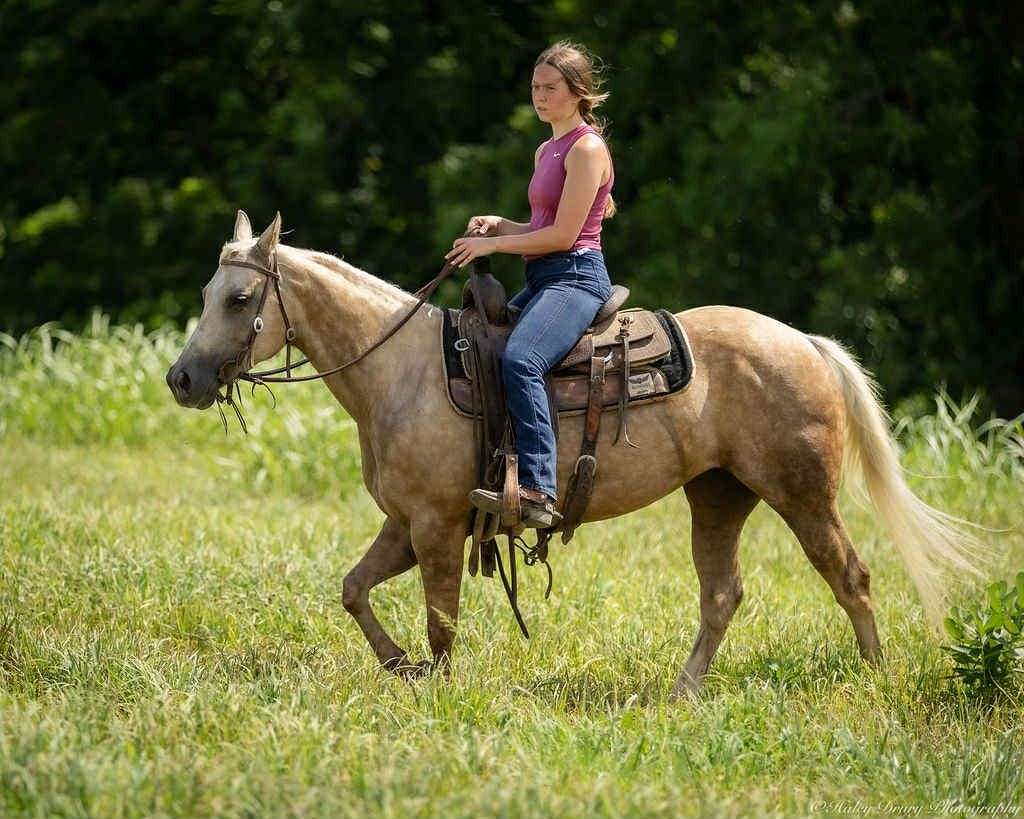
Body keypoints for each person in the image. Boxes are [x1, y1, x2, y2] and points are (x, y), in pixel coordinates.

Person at [444, 40, 617, 529]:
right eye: (535, 88)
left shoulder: (585, 148)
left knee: (523, 358)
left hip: (576, 278)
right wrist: (501, 226)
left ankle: (539, 489)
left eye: (550, 88)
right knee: (476, 343)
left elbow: (565, 235)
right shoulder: (548, 148)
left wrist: (493, 248)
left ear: (577, 92)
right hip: (543, 275)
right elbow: (541, 226)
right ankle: (495, 465)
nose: (539, 96)